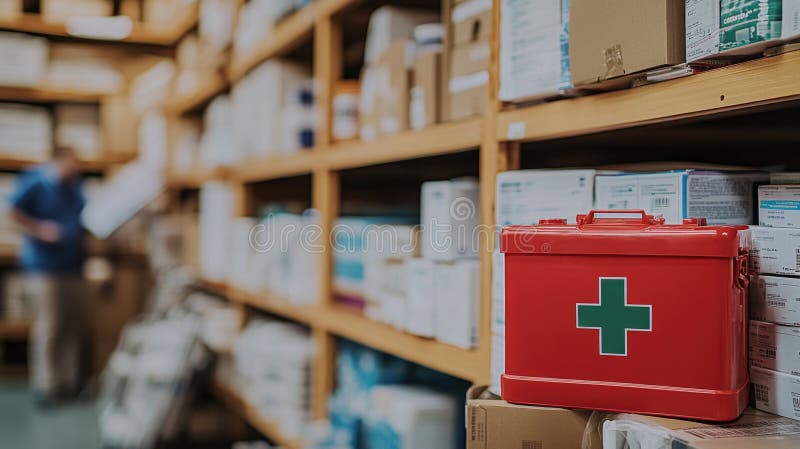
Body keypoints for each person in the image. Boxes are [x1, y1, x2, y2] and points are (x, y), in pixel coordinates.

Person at [9, 147, 86, 408]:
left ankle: (69, 381)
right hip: (45, 267)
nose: (75, 169)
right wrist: (40, 230)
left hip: (73, 266)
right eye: (71, 163)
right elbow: (11, 212)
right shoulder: (35, 182)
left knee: (72, 327)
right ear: (59, 160)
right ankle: (47, 385)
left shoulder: (75, 188)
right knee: (49, 327)